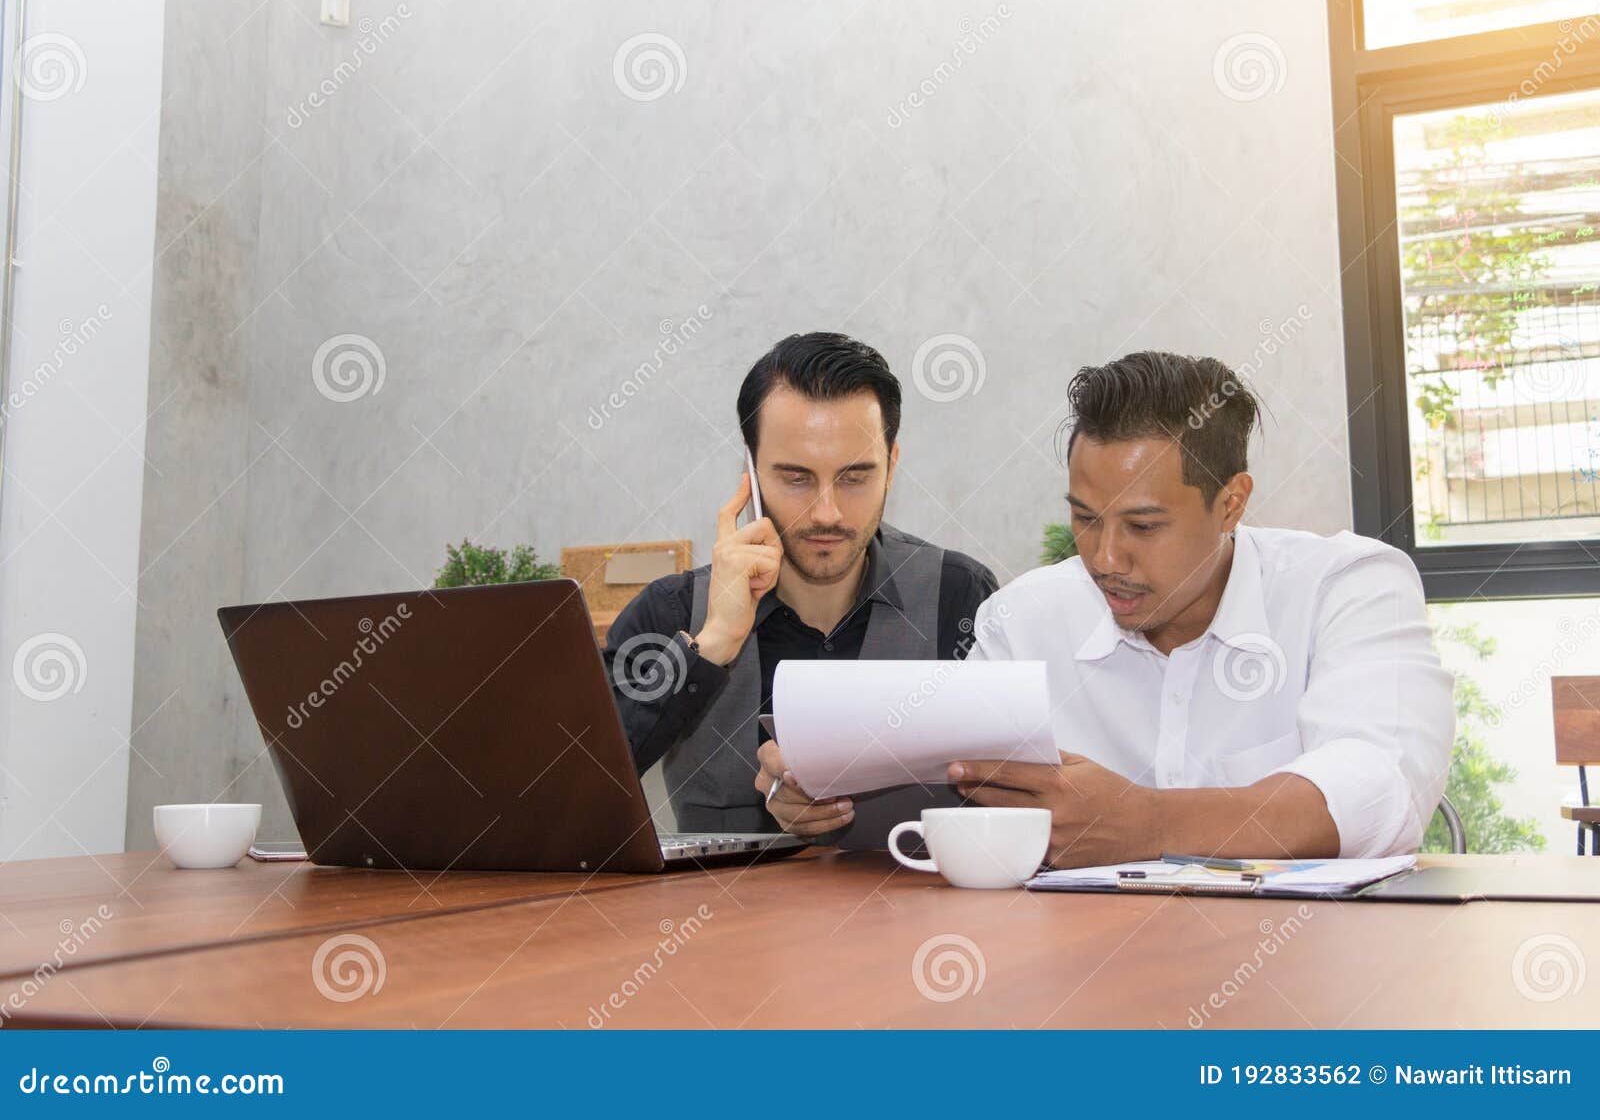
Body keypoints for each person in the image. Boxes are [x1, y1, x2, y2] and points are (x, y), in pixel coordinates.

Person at [950, 351, 1453, 865]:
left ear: (1231, 503)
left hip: (1299, 943)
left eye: (1144, 526)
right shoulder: (1022, 620)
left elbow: (1379, 787)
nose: (1105, 558)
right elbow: (967, 799)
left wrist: (1148, 824)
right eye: (1087, 518)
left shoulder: (1347, 587)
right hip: (1081, 943)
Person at [604, 331, 997, 836]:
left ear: (891, 467)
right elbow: (571, 798)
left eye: (855, 477)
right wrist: (714, 643)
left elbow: (1015, 795)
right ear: (750, 470)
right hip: (723, 914)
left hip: (913, 911)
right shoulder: (673, 612)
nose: (827, 513)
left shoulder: (959, 596)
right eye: (796, 478)